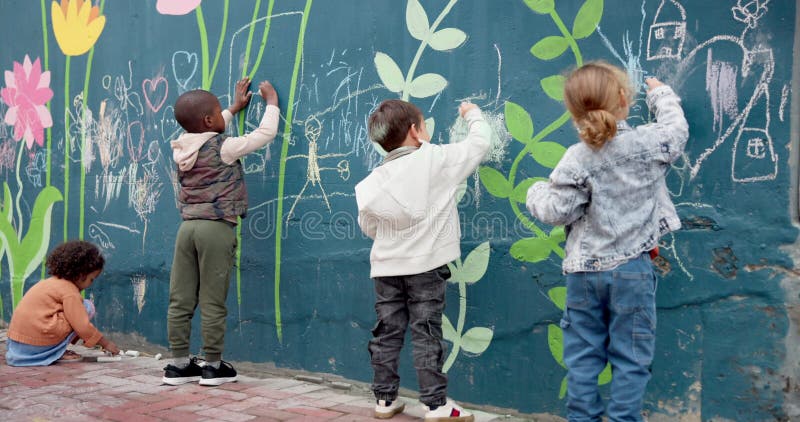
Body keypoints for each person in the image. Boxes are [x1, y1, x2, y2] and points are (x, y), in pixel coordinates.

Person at [526, 61, 689, 421]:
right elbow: (676, 131)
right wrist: (661, 92)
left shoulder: (576, 158)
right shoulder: (647, 142)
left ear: (573, 111)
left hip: (584, 274)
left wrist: (534, 191)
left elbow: (557, 210)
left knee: (583, 358)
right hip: (633, 271)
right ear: (622, 98)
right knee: (631, 359)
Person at [355, 99, 490, 421]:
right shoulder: (435, 159)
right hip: (426, 268)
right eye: (424, 125)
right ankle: (435, 405)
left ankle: (385, 401)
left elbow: (368, 226)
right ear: (416, 132)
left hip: (386, 268)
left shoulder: (375, 180)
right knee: (426, 332)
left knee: (387, 332)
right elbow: (479, 143)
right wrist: (472, 114)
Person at [162, 77, 279, 386]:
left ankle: (177, 365)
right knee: (213, 299)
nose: (222, 115)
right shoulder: (225, 148)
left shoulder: (182, 146)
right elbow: (264, 134)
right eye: (218, 111)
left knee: (181, 298)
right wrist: (272, 103)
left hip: (186, 229)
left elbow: (205, 128)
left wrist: (231, 109)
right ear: (209, 120)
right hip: (216, 228)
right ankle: (212, 366)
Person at [6, 240, 119, 366]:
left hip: (17, 345)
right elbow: (82, 325)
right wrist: (105, 343)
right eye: (91, 279)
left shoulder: (48, 283)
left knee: (74, 311)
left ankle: (56, 348)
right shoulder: (70, 291)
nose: (90, 284)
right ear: (81, 274)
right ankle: (57, 351)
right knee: (86, 307)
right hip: (37, 345)